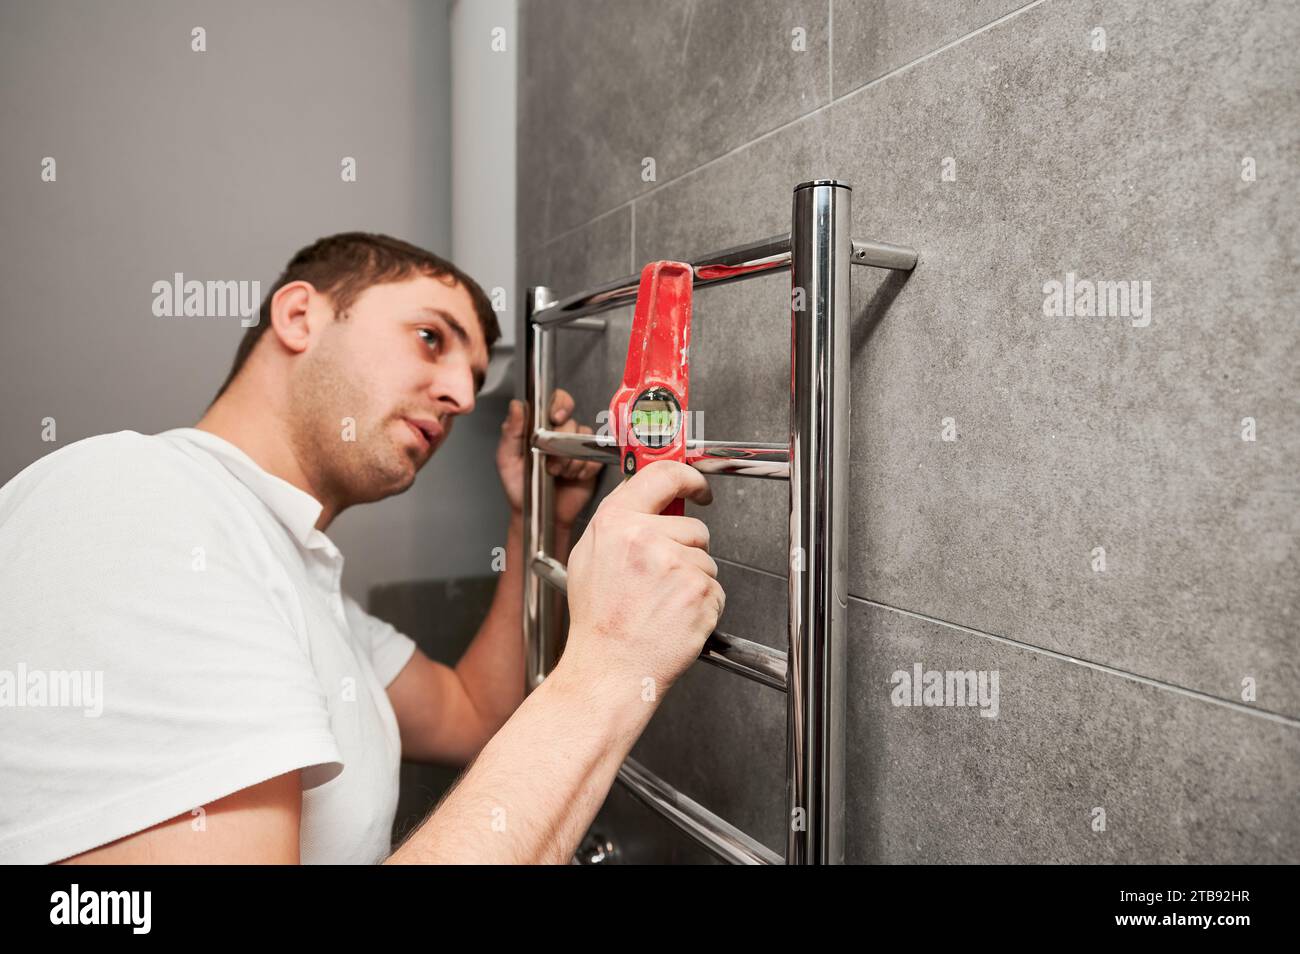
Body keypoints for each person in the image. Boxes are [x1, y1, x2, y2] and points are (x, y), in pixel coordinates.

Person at [0, 232, 724, 864]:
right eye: (432, 338)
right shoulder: (140, 501)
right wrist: (611, 665)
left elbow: (476, 712)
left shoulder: (295, 577)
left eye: (473, 380)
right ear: (299, 316)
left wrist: (535, 521)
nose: (462, 397)